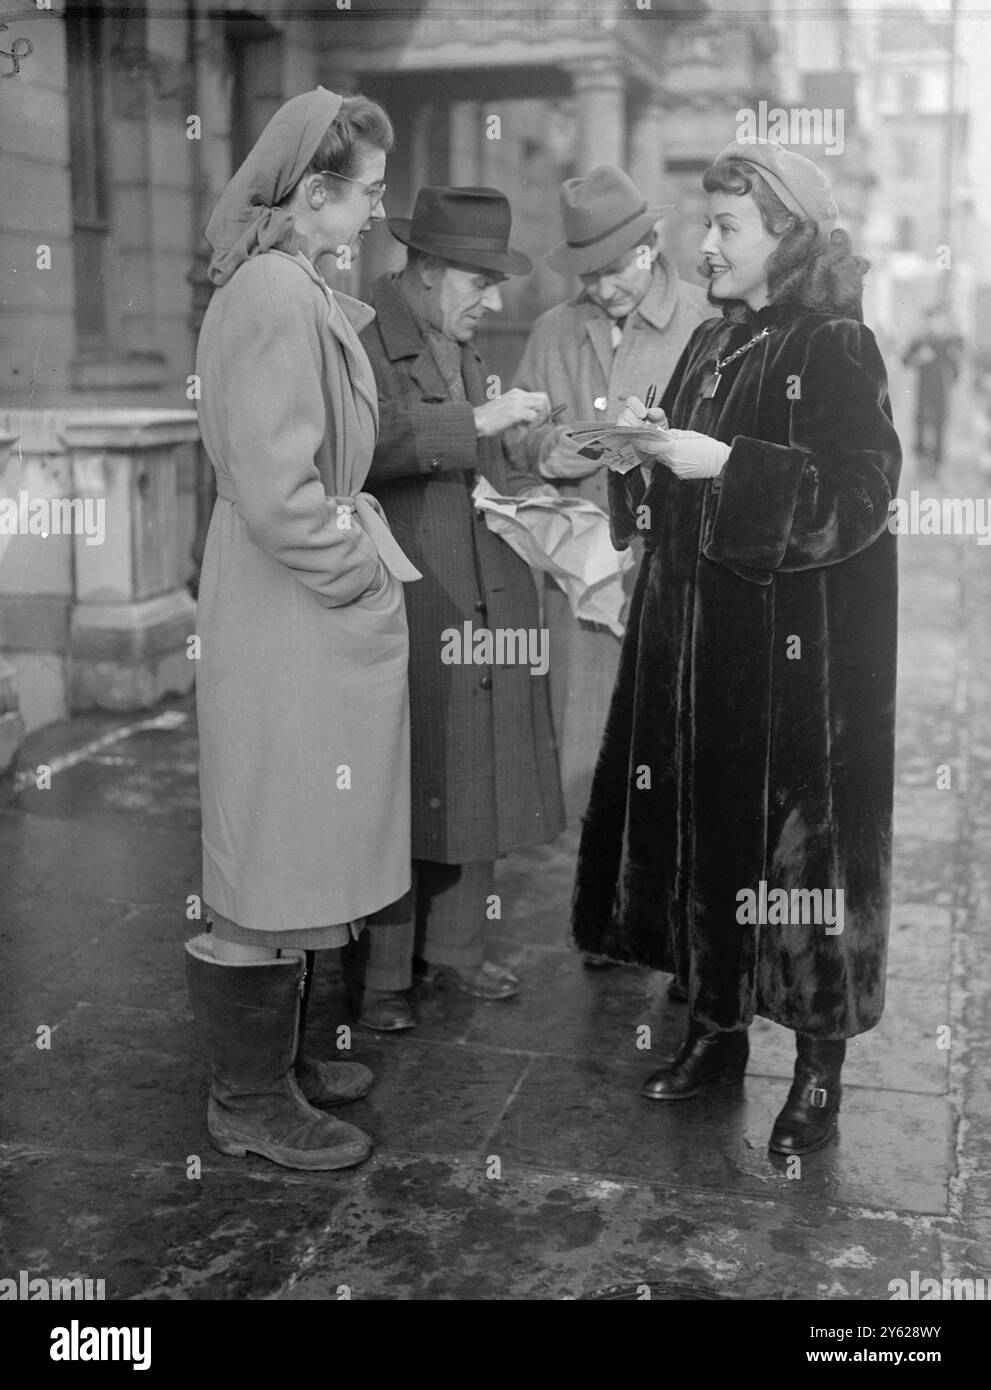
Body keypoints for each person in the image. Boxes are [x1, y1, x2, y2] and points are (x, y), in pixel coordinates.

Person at [572, 138, 901, 1156]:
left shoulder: (836, 346)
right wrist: (639, 452)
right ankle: (714, 1032)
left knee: (804, 868)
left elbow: (858, 499)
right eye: (705, 224)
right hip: (698, 655)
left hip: (801, 676)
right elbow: (673, 484)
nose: (703, 247)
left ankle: (815, 1073)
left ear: (786, 239)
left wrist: (729, 465)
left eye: (726, 228)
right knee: (707, 848)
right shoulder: (714, 343)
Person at [186, 88, 419, 1171]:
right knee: (268, 851)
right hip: (290, 602)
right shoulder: (278, 292)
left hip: (286, 603)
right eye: (365, 191)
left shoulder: (286, 282)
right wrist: (361, 575)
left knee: (288, 841)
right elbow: (283, 495)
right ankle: (246, 1097)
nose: (376, 210)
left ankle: (274, 1061)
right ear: (314, 192)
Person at [353, 185, 566, 1032]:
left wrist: (567, 448)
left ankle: (453, 954)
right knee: (401, 784)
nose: (495, 300)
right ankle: (380, 982)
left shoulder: (456, 339)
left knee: (469, 772)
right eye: (480, 280)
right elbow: (354, 447)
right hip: (409, 593)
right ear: (431, 270)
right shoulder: (363, 336)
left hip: (474, 588)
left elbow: (494, 461)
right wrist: (476, 416)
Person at [511, 167, 711, 833]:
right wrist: (565, 447)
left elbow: (730, 450)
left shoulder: (704, 323)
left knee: (670, 751)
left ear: (649, 247)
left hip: (672, 575)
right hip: (578, 583)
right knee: (587, 761)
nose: (601, 287)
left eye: (613, 268)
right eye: (587, 275)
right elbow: (518, 443)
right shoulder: (553, 331)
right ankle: (596, 912)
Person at [902, 306, 963, 474]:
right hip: (924, 388)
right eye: (931, 321)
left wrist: (953, 374)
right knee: (920, 420)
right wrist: (918, 358)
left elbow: (957, 367)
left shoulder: (949, 342)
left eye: (938, 321)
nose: (934, 325)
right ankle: (921, 456)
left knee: (940, 423)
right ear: (926, 323)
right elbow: (904, 361)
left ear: (943, 323)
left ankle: (937, 461)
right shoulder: (920, 341)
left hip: (942, 388)